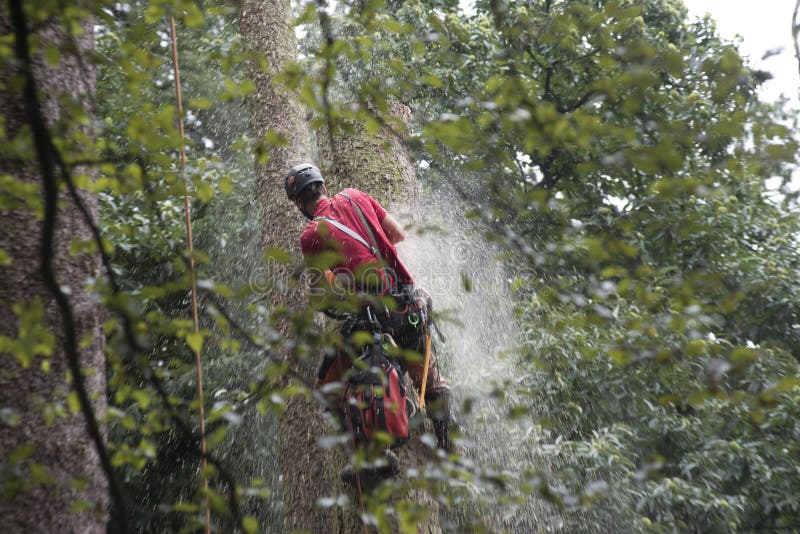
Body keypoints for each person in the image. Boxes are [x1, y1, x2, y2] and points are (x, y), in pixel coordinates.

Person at [284, 162, 458, 452]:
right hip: (407, 305)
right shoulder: (355, 195)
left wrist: (339, 279)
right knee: (429, 377)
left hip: (371, 322)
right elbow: (398, 235)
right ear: (324, 186)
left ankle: (372, 454)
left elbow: (320, 297)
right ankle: (447, 443)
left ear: (299, 203)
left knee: (330, 387)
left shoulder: (311, 235)